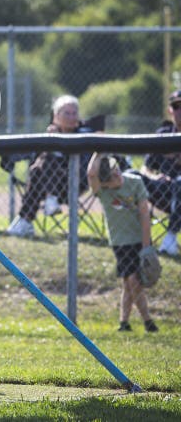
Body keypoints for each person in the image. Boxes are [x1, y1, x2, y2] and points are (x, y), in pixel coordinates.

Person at [87, 153, 158, 333]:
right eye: (111, 177)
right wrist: (97, 153)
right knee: (133, 281)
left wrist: (146, 247)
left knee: (129, 283)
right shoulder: (103, 192)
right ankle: (148, 321)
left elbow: (144, 215)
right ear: (104, 184)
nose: (117, 176)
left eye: (117, 171)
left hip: (140, 239)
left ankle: (124, 323)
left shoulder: (135, 182)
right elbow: (91, 174)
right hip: (121, 243)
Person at [6, 95, 92, 237]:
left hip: (73, 184)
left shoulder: (85, 135)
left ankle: (25, 220)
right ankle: (49, 200)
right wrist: (51, 140)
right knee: (41, 166)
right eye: (67, 113)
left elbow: (83, 167)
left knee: (40, 168)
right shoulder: (50, 134)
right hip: (45, 183)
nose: (71, 117)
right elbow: (31, 155)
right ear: (56, 116)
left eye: (74, 113)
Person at [127, 89, 181, 256]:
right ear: (170, 110)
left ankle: (170, 239)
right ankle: (133, 238)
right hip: (163, 190)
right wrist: (156, 176)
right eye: (176, 106)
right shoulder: (163, 134)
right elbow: (146, 168)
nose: (180, 111)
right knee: (132, 175)